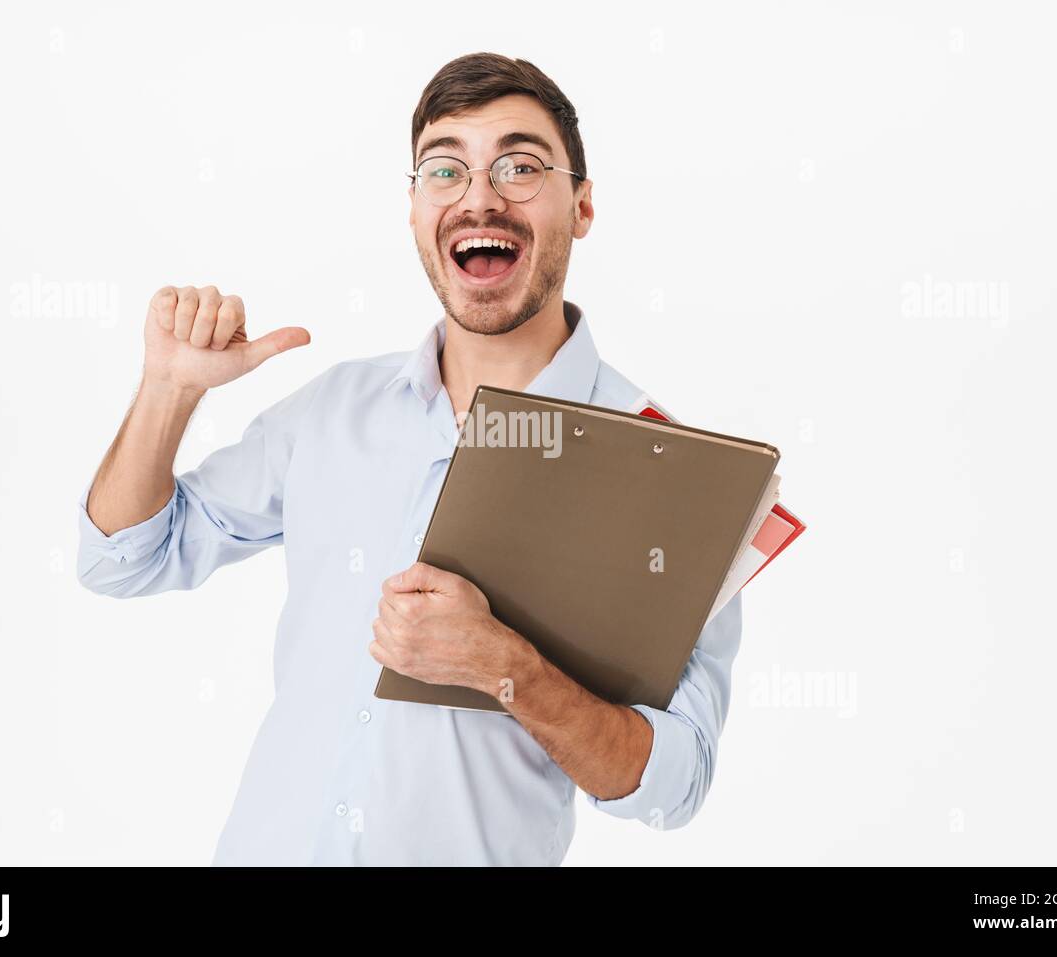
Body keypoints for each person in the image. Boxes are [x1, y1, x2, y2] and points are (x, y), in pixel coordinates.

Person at [77, 51, 742, 866]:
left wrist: (511, 672)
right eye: (445, 168)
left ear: (583, 205)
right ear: (414, 205)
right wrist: (168, 393)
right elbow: (122, 557)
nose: (480, 196)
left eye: (520, 164)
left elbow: (678, 778)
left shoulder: (672, 474)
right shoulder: (332, 412)